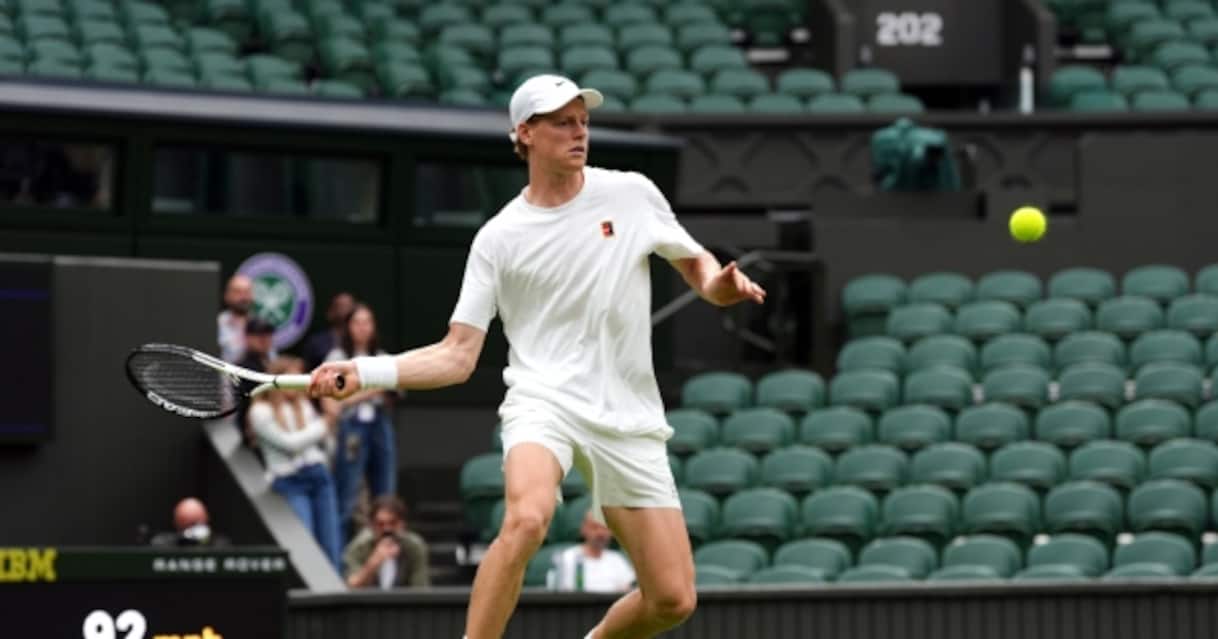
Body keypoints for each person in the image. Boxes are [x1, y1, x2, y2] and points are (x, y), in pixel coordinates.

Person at [309, 73, 764, 639]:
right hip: (542, 401)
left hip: (627, 413)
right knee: (526, 520)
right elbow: (457, 355)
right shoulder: (498, 238)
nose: (579, 133)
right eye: (562, 123)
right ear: (525, 133)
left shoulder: (631, 193)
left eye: (583, 121)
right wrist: (367, 372)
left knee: (672, 600)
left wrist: (717, 288)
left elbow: (694, 262)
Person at [248, 356, 343, 570]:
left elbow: (321, 446)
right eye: (293, 379)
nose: (300, 384)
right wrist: (326, 421)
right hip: (289, 481)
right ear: (279, 380)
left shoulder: (304, 405)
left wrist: (328, 424)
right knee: (304, 545)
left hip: (318, 475)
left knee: (331, 544)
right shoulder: (260, 411)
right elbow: (290, 445)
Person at [320, 303, 397, 539]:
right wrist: (371, 388)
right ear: (348, 327)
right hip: (351, 427)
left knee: (386, 492)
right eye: (357, 322)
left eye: (368, 322)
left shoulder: (382, 357)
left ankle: (387, 552)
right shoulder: (337, 357)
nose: (363, 328)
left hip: (379, 424)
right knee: (347, 493)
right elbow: (329, 398)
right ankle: (339, 562)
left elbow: (391, 391)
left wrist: (351, 395)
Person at [343, 495, 431, 589]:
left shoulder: (415, 547)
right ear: (371, 525)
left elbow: (420, 589)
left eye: (393, 523)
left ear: (403, 524)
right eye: (380, 524)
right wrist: (374, 563)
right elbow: (350, 587)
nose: (387, 529)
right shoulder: (359, 547)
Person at [549, 510, 635, 593]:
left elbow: (626, 591)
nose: (600, 533)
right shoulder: (568, 557)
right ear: (584, 528)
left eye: (604, 528)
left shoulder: (617, 560)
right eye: (594, 527)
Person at [148, 497, 232, 548]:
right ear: (176, 523)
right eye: (187, 524)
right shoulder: (162, 544)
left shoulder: (220, 544)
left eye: (196, 523)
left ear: (206, 519)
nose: (193, 531)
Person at [303, 292, 355, 372]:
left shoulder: (363, 344)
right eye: (340, 306)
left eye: (349, 306)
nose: (346, 310)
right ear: (330, 313)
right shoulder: (316, 343)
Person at [218, 274, 254, 363]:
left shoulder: (261, 325)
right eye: (238, 292)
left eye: (247, 292)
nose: (244, 297)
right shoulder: (217, 324)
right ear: (226, 295)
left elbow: (271, 359)